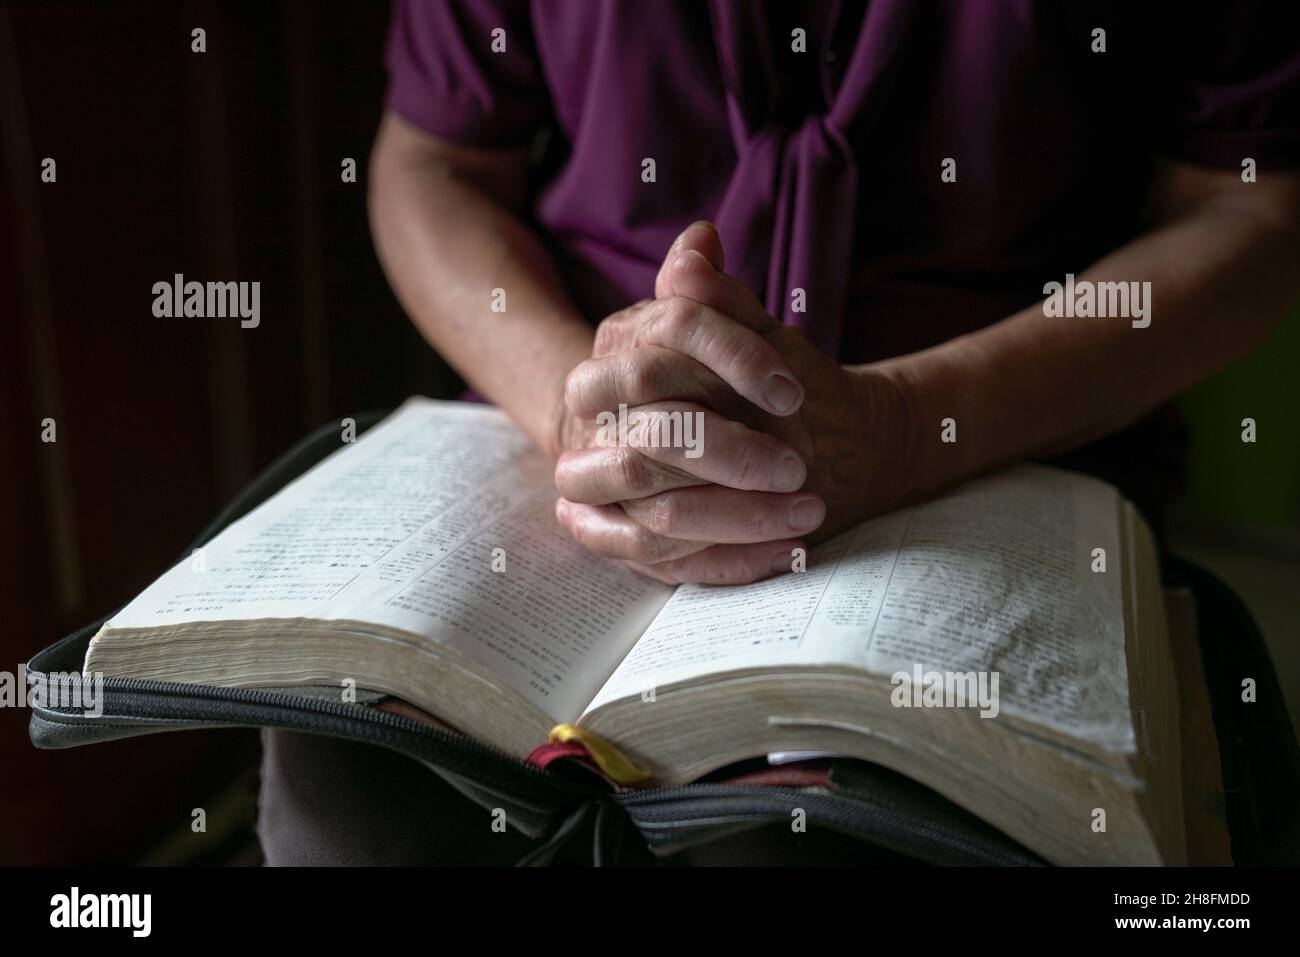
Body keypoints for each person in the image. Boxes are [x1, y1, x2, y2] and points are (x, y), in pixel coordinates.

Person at [257, 0, 1300, 864]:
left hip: (1013, 447)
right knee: (347, 780)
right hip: (557, 434)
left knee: (815, 838)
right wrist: (577, 402)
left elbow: (1248, 209)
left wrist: (909, 424)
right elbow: (433, 163)